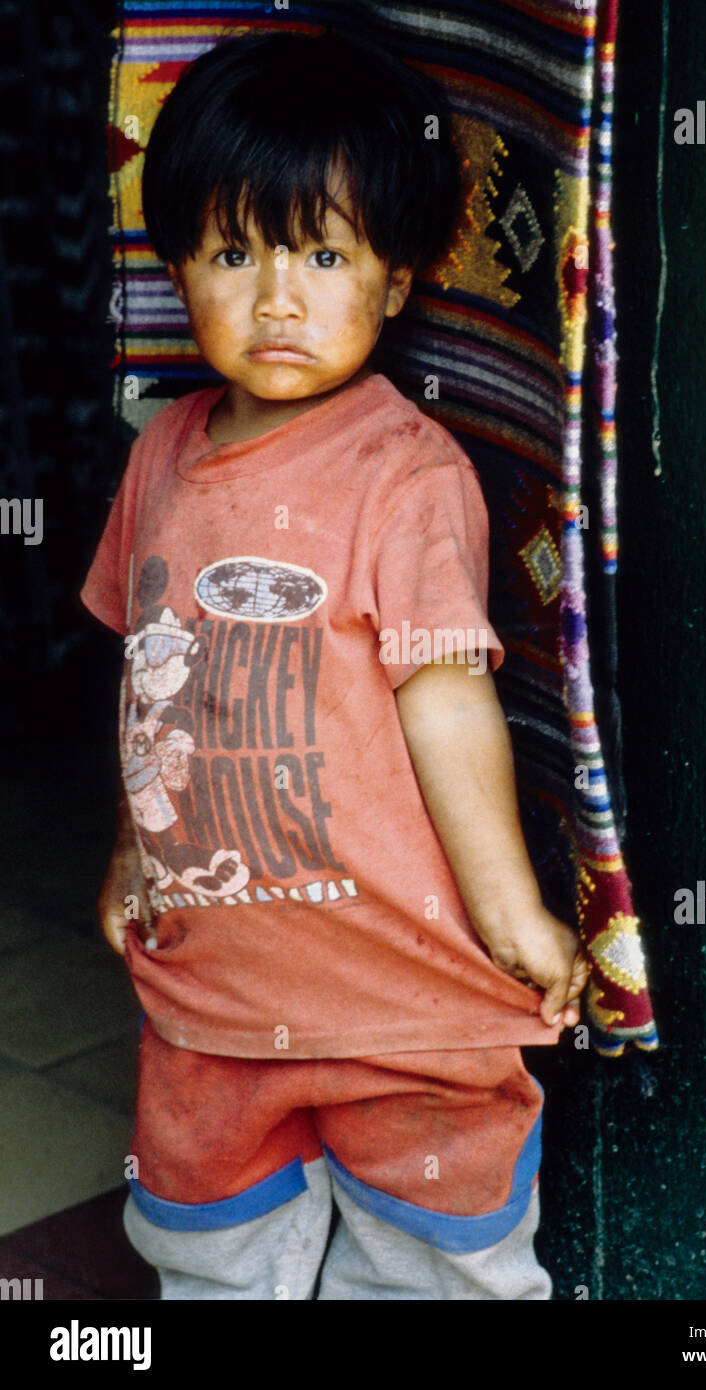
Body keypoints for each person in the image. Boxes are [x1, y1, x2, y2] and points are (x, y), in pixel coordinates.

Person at [82, 29, 589, 1301]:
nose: (277, 299)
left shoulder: (408, 476)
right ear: (177, 262)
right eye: (234, 252)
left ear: (398, 278)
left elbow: (449, 701)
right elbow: (158, 680)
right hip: (212, 995)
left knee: (436, 1266)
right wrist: (137, 851)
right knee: (206, 1252)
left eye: (322, 253)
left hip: (400, 997)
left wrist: (513, 917)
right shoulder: (164, 456)